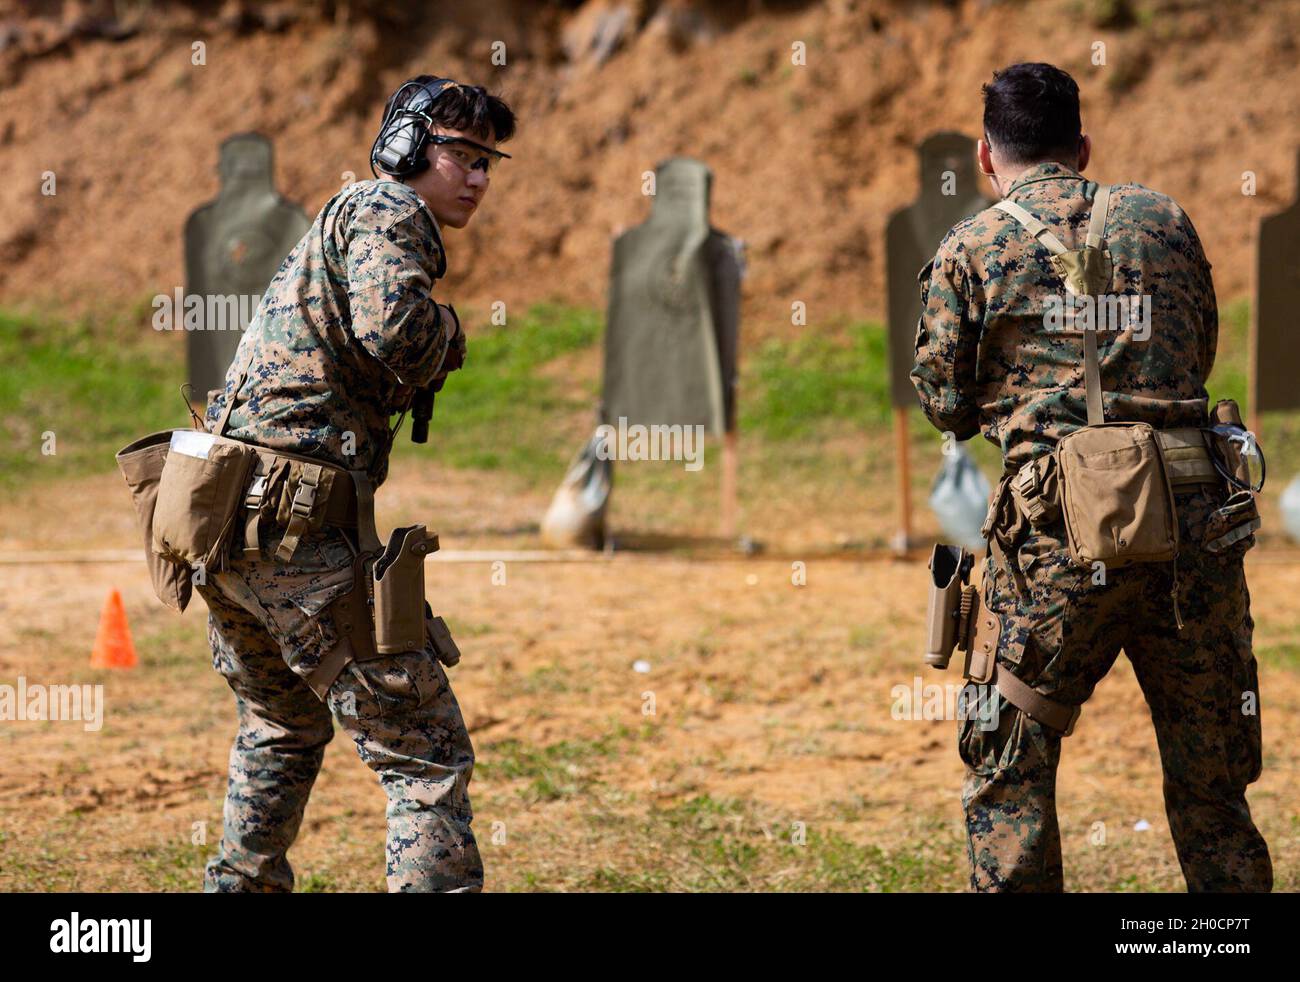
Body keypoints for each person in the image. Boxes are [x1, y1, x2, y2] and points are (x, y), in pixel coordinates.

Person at [911, 62, 1271, 892]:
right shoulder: (1166, 220)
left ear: (984, 155)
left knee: (1012, 769)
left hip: (1053, 546)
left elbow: (942, 402)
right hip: (1194, 526)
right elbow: (1197, 353)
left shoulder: (970, 246)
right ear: (1082, 145)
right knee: (1215, 783)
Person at [197, 76, 515, 892]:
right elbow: (396, 329)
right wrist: (449, 333)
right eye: (462, 155)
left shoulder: (352, 215)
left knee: (282, 724)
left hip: (225, 524)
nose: (478, 176)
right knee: (425, 755)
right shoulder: (388, 209)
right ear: (407, 147)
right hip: (295, 529)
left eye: (489, 162)